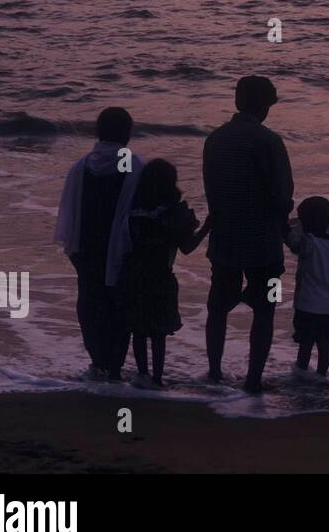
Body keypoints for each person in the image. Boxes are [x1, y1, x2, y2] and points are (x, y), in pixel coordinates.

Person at [202, 76, 294, 393]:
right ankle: (253, 380)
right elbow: (283, 195)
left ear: (238, 102)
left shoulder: (214, 139)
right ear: (265, 105)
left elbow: (210, 190)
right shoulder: (268, 141)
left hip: (225, 237)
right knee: (264, 311)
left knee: (217, 307)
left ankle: (214, 372)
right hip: (263, 242)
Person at [53, 107, 144, 381]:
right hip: (121, 249)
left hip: (88, 247)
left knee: (90, 305)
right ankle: (114, 367)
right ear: (127, 133)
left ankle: (97, 361)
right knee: (119, 307)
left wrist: (74, 249)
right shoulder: (135, 165)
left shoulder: (81, 166)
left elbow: (69, 211)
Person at [120, 159, 207, 389]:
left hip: (134, 276)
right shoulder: (174, 214)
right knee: (158, 332)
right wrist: (207, 227)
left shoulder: (134, 212)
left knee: (138, 330)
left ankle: (141, 374)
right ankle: (157, 378)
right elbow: (187, 247)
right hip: (161, 277)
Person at [286, 196, 329, 382]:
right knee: (324, 344)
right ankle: (322, 376)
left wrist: (282, 222)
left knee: (305, 344)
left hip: (307, 305)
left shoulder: (309, 243)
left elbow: (292, 242)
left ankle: (300, 375)